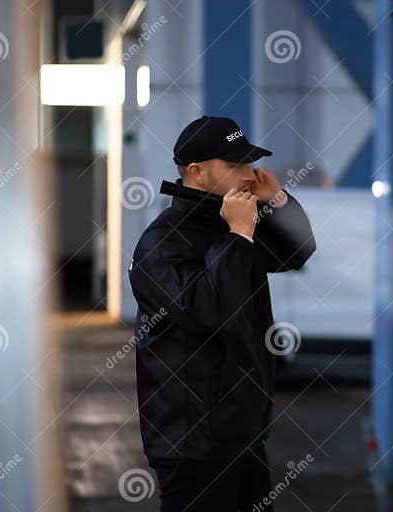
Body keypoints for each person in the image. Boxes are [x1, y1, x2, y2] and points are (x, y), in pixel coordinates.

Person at [128, 116, 317, 511]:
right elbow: (211, 312)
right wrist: (239, 235)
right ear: (196, 172)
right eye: (234, 165)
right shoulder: (161, 245)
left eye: (249, 163)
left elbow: (297, 251)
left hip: (241, 430)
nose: (248, 175)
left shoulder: (230, 224)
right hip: (193, 442)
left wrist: (277, 200)